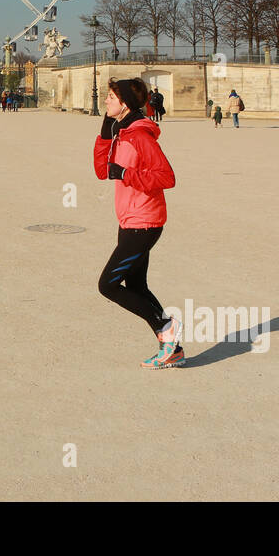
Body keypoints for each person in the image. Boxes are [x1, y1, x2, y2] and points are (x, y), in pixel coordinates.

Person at [94, 77, 182, 369]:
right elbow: (102, 171)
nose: (105, 100)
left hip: (143, 223)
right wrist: (106, 131)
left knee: (107, 285)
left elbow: (166, 177)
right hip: (131, 220)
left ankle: (165, 327)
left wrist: (126, 175)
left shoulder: (139, 136)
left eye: (110, 97)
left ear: (125, 103)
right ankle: (173, 348)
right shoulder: (123, 132)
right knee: (136, 285)